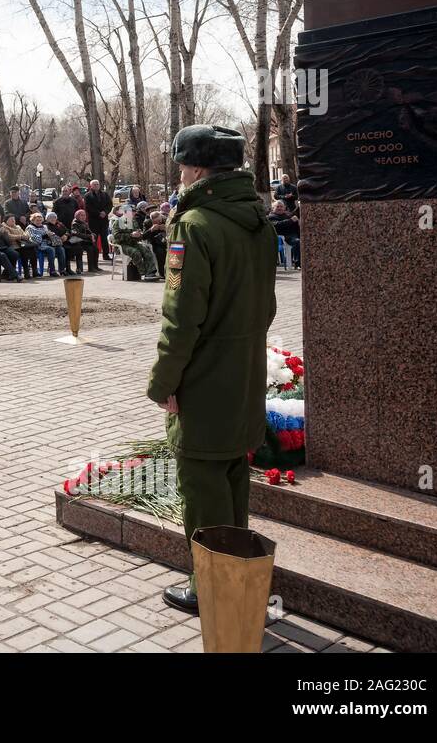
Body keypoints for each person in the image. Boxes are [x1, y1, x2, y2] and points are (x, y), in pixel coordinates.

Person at [148, 125, 278, 615]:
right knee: (232, 482)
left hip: (202, 383)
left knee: (203, 491)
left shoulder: (194, 224)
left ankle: (216, 594)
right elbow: (266, 307)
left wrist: (164, 381)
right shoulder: (257, 221)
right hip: (244, 375)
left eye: (182, 166)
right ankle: (237, 582)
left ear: (198, 169)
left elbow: (182, 319)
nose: (180, 174)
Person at [111, 205, 161, 281]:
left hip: (133, 243)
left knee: (146, 250)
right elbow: (117, 236)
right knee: (135, 252)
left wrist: (139, 234)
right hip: (121, 245)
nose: (133, 213)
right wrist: (131, 235)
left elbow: (139, 232)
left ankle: (151, 272)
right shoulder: (118, 222)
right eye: (131, 212)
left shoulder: (133, 221)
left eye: (133, 212)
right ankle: (144, 272)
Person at [27, 212, 65, 277]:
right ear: (32, 220)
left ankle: (62, 270)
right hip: (37, 246)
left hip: (47, 243)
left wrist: (51, 235)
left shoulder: (44, 226)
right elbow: (34, 239)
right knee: (51, 249)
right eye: (37, 220)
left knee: (61, 249)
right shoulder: (30, 228)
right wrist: (46, 235)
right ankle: (52, 270)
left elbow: (48, 235)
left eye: (40, 220)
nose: (39, 222)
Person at [65, 208, 100, 274]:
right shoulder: (75, 223)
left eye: (84, 215)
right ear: (77, 216)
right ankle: (90, 268)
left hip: (85, 241)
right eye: (81, 215)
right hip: (78, 242)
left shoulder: (84, 223)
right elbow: (76, 233)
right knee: (90, 249)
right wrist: (89, 236)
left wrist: (92, 235)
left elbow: (89, 232)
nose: (83, 217)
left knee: (95, 249)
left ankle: (95, 266)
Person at [86, 180, 113, 261]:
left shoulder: (104, 194)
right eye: (94, 184)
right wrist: (98, 213)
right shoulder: (88, 195)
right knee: (94, 238)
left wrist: (105, 212)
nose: (96, 185)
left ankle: (106, 255)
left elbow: (110, 204)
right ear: (91, 186)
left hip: (104, 220)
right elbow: (88, 207)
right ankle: (94, 256)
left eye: (97, 184)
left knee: (104, 238)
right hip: (94, 220)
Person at [268, 200, 301, 267]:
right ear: (273, 208)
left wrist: (299, 223)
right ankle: (298, 263)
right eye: (277, 207)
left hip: (292, 235)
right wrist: (291, 220)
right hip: (280, 237)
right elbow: (278, 224)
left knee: (302, 241)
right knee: (297, 242)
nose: (279, 208)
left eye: (281, 206)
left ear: (284, 207)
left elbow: (295, 225)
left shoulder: (288, 215)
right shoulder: (271, 217)